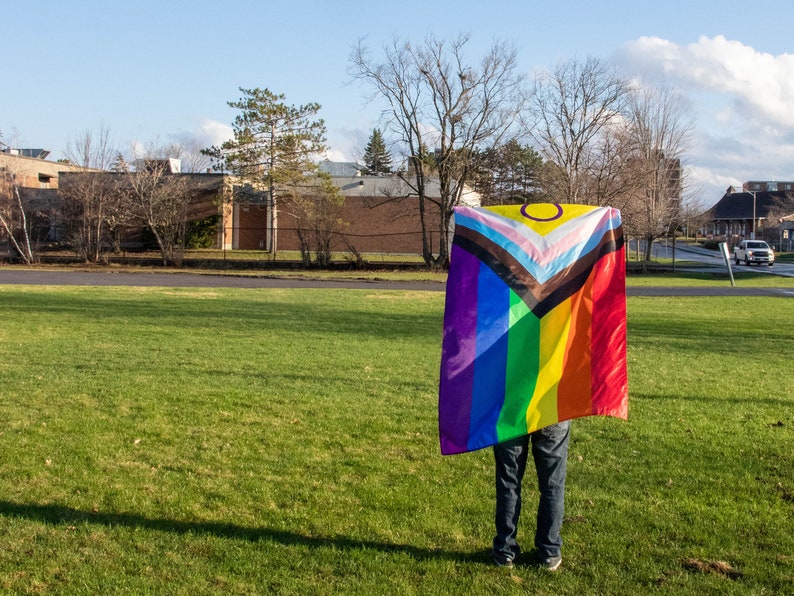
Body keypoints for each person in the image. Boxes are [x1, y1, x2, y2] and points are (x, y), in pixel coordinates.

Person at [491, 420, 571, 571]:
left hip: (512, 410)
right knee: (552, 485)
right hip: (550, 413)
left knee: (509, 483)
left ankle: (505, 550)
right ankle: (549, 551)